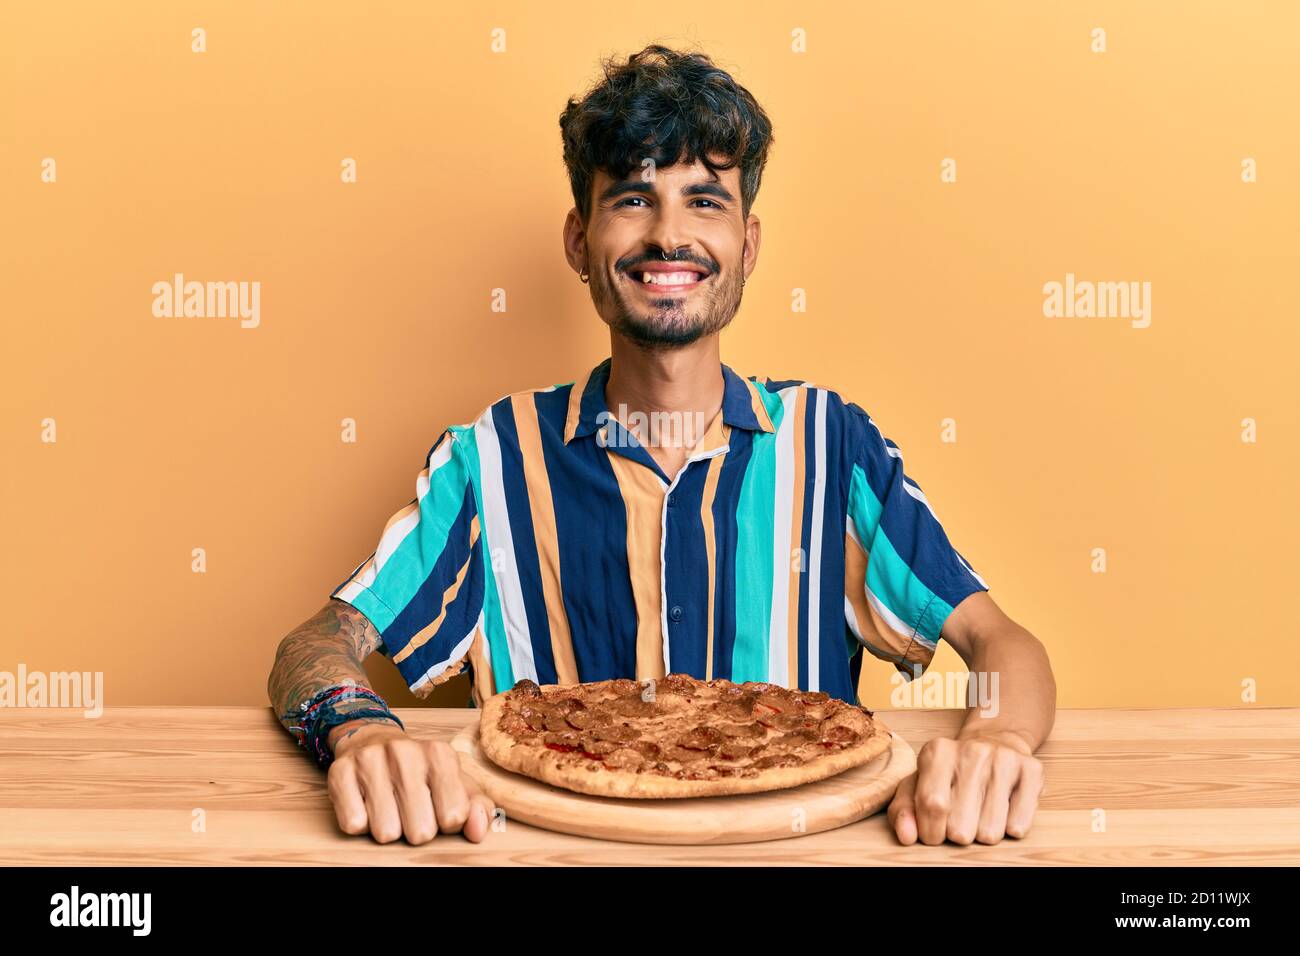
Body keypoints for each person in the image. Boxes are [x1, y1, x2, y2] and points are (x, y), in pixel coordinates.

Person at [267, 44, 1055, 848]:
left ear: (747, 246)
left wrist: (997, 741)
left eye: (704, 201)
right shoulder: (491, 458)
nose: (669, 236)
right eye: (634, 199)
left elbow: (1003, 644)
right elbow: (319, 644)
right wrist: (359, 731)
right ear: (580, 241)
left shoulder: (833, 445)